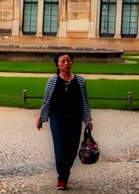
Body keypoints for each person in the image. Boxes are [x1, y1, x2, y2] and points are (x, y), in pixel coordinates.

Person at [37, 52, 92, 191]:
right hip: (57, 118)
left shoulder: (80, 80)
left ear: (72, 63)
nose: (66, 63)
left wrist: (88, 120)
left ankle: (64, 173)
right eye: (63, 61)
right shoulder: (52, 81)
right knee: (60, 148)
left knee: (72, 149)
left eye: (68, 60)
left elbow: (85, 101)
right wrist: (41, 118)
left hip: (75, 119)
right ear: (57, 65)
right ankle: (62, 178)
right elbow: (46, 101)